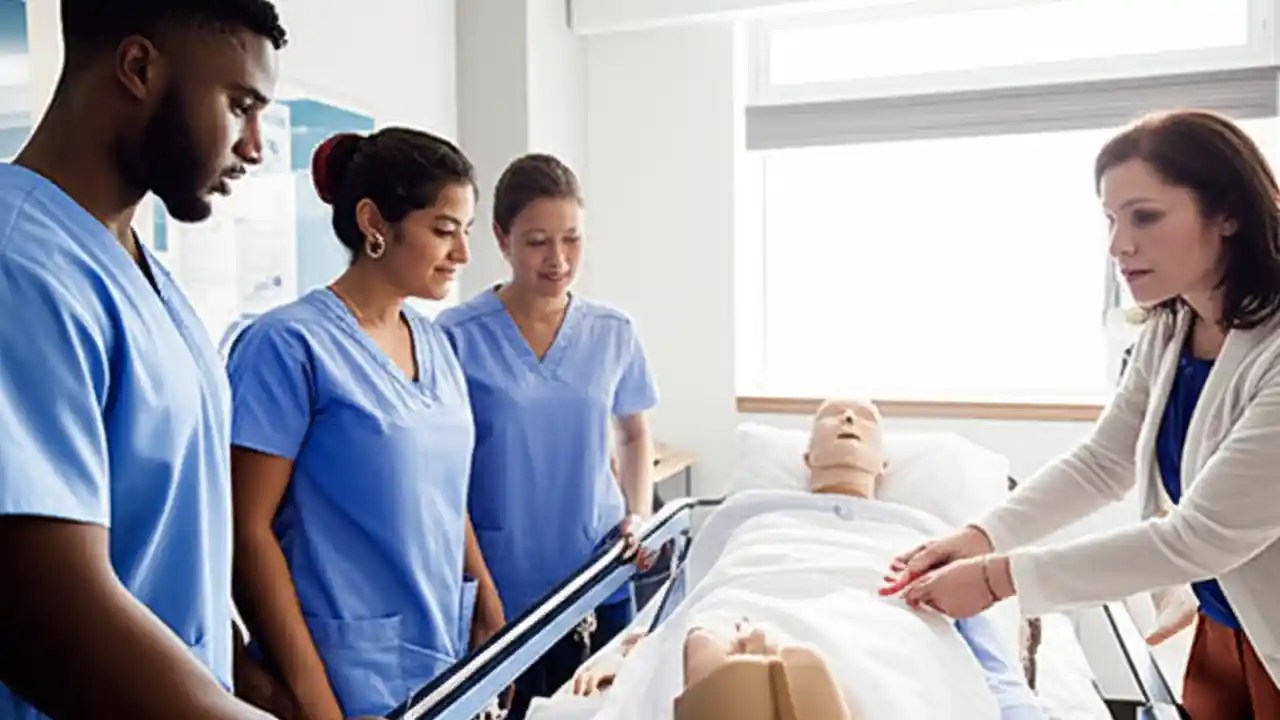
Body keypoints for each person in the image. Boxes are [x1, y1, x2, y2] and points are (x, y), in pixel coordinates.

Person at [883, 109, 1280, 719]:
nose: (1119, 244)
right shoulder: (1172, 329)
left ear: (1227, 212)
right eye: (1112, 220)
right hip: (1227, 623)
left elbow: (1198, 538)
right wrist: (978, 537)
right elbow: (1104, 461)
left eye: (1145, 217)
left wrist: (998, 578)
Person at [0, 1, 287, 717]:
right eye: (239, 104)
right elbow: (48, 615)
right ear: (138, 68)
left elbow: (165, 535)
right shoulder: (17, 267)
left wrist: (253, 685)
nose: (254, 146)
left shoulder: (142, 274)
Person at [224, 128, 500, 719]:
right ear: (375, 222)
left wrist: (488, 611)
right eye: (444, 230)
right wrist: (313, 702)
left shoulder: (435, 343)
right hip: (341, 675)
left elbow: (444, 497)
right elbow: (244, 530)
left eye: (467, 232)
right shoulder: (287, 346)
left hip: (443, 659)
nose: (463, 254)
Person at [537, 399, 1044, 720]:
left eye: (865, 420)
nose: (848, 419)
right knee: (704, 630)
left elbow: (983, 646)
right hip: (751, 597)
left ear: (885, 463)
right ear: (806, 458)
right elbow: (693, 593)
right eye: (832, 416)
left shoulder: (928, 536)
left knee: (870, 659)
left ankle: (744, 685)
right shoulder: (746, 515)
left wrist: (1019, 708)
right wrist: (631, 652)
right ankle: (767, 684)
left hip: (878, 620)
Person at [437, 153, 660, 719]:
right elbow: (442, 470)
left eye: (572, 239)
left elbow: (634, 434)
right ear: (500, 238)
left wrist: (637, 514)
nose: (558, 259)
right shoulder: (456, 337)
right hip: (501, 590)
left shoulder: (613, 332)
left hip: (598, 576)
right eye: (537, 240)